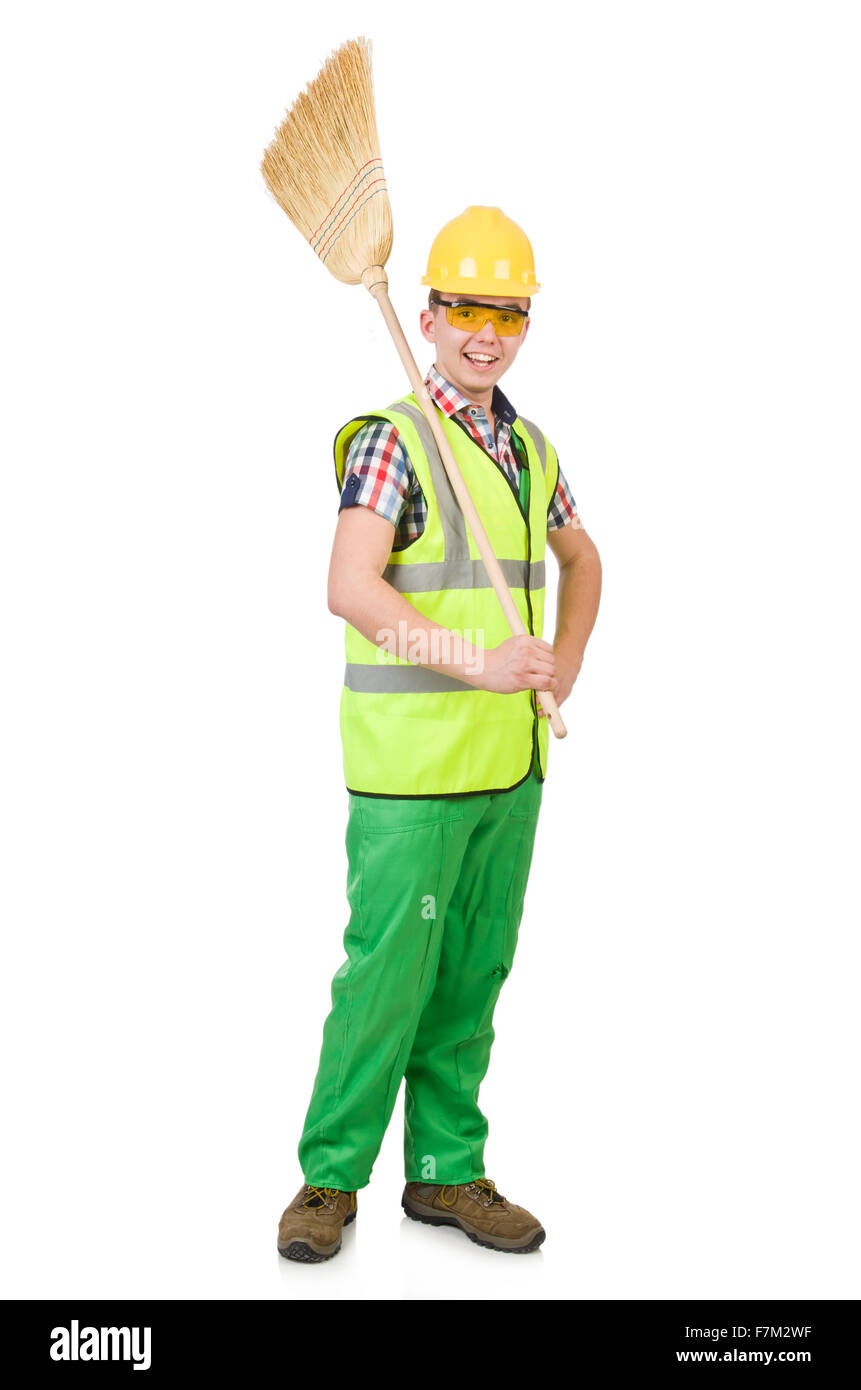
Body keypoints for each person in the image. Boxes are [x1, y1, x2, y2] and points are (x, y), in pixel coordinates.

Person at [277, 206, 602, 1261]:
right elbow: (348, 586)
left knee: (472, 975)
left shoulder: (533, 447)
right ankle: (329, 1179)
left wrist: (561, 668)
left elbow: (584, 560)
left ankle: (446, 1172)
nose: (485, 332)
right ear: (426, 318)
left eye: (506, 311)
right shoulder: (394, 441)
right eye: (465, 307)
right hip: (413, 774)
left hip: (511, 767)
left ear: (522, 324)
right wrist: (486, 664)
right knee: (386, 978)